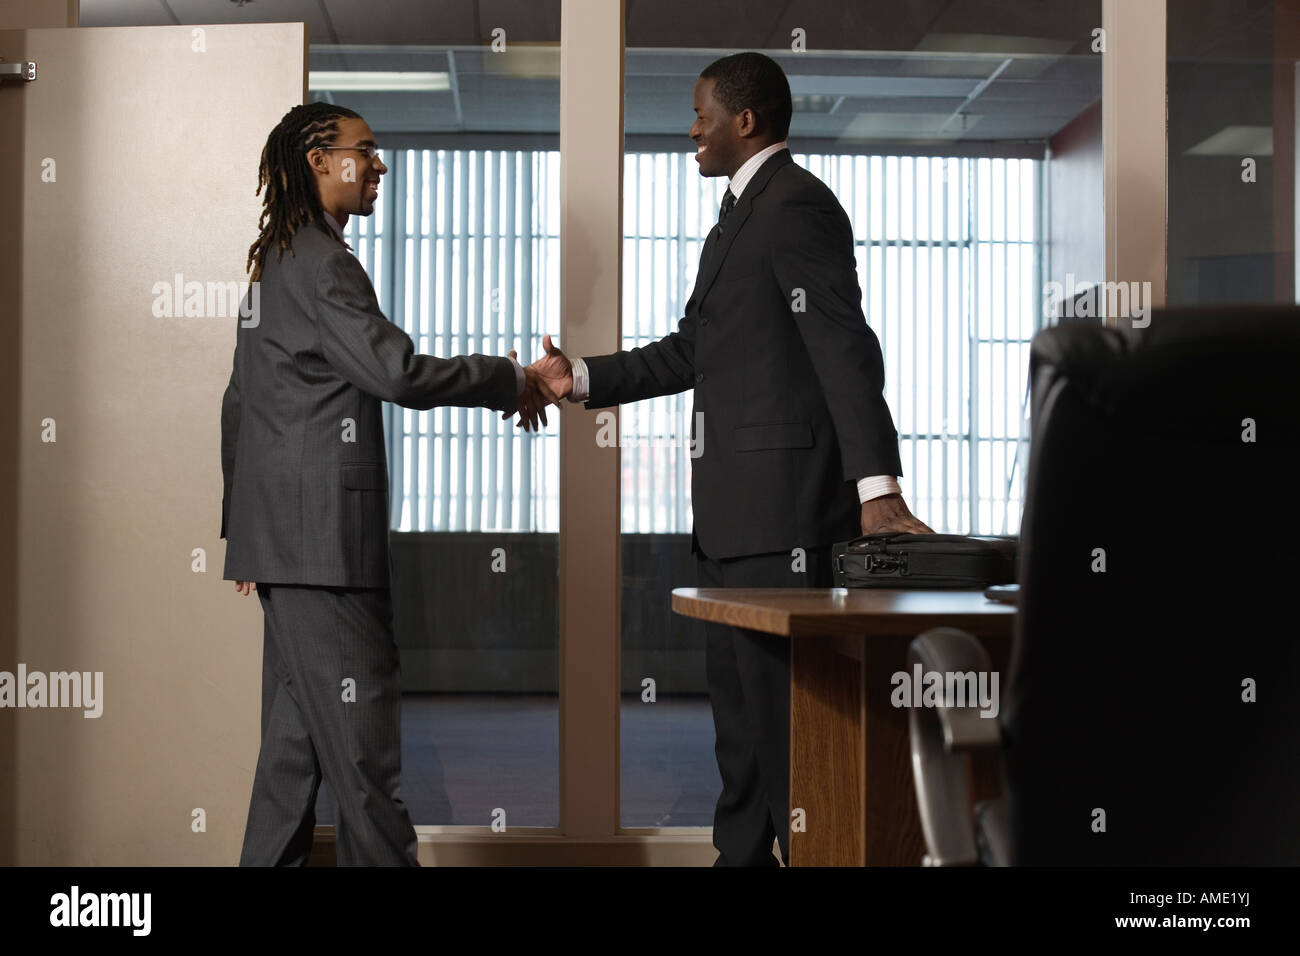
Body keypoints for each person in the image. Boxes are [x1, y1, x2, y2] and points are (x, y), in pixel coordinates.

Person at [528, 52, 933, 866]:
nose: (692, 130)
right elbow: (693, 352)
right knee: (741, 730)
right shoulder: (738, 215)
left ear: (744, 121)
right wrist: (582, 378)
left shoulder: (796, 207)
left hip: (782, 515)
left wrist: (878, 489)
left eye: (701, 114)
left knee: (787, 731)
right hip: (733, 517)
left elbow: (845, 348)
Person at [221, 102, 549, 866]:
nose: (378, 166)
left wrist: (247, 535)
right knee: (366, 766)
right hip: (327, 554)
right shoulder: (324, 262)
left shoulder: (276, 258)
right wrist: (509, 378)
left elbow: (239, 401)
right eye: (363, 152)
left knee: (289, 763)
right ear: (315, 158)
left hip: (288, 552)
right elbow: (394, 372)